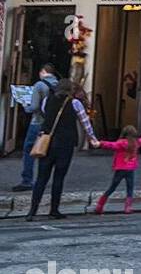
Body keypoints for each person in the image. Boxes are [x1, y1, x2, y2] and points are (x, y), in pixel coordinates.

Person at [27, 79, 98, 220]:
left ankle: (32, 211)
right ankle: (54, 209)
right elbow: (85, 122)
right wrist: (92, 138)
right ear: (70, 90)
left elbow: (44, 113)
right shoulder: (75, 103)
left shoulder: (48, 100)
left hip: (47, 142)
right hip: (65, 144)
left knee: (41, 177)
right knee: (59, 177)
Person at [13, 63, 58, 191]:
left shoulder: (40, 85)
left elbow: (34, 107)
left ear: (43, 72)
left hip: (37, 122)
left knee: (29, 150)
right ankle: (43, 179)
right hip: (51, 124)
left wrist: (24, 106)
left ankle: (27, 180)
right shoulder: (58, 84)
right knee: (47, 151)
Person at [93, 126, 141, 213]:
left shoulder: (121, 143)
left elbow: (111, 145)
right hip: (130, 169)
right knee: (130, 189)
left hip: (120, 169)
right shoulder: (136, 143)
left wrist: (100, 143)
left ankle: (100, 205)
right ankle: (128, 208)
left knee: (112, 187)